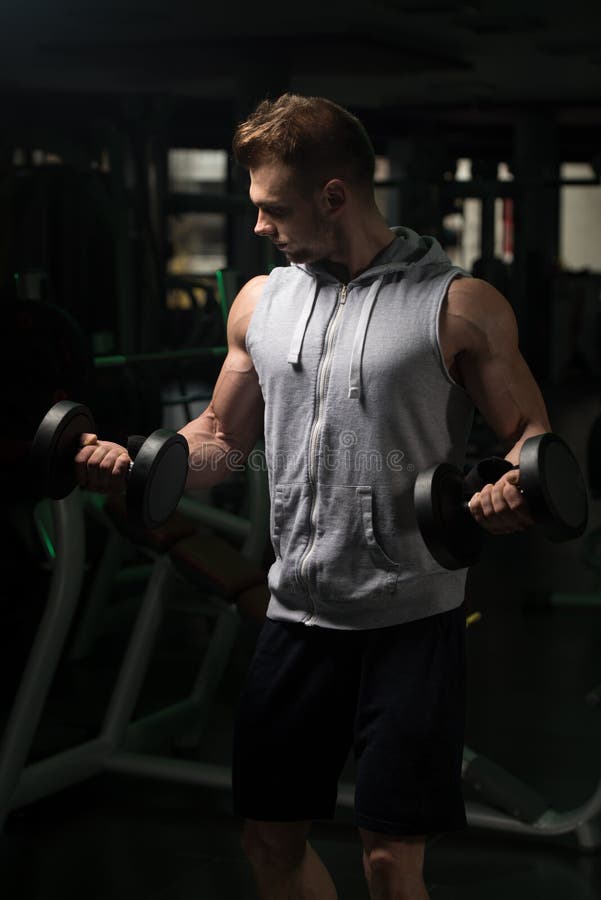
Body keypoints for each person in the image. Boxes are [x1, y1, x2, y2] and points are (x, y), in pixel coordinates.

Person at [75, 94, 551, 900]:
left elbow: (531, 441)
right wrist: (136, 464)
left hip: (411, 620)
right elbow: (221, 444)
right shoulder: (261, 303)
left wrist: (516, 489)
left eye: (273, 208)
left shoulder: (458, 306)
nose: (257, 227)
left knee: (387, 860)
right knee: (269, 839)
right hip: (295, 615)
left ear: (335, 195)